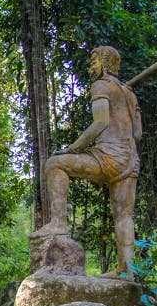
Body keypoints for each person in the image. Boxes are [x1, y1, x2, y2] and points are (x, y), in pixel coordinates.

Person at [31, 46, 142, 277]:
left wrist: (73, 148)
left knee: (55, 163)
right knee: (124, 215)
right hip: (130, 161)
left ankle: (58, 222)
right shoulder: (129, 94)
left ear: (103, 63)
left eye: (93, 61)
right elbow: (137, 133)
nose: (91, 66)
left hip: (108, 158)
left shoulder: (101, 86)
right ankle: (127, 270)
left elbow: (100, 123)